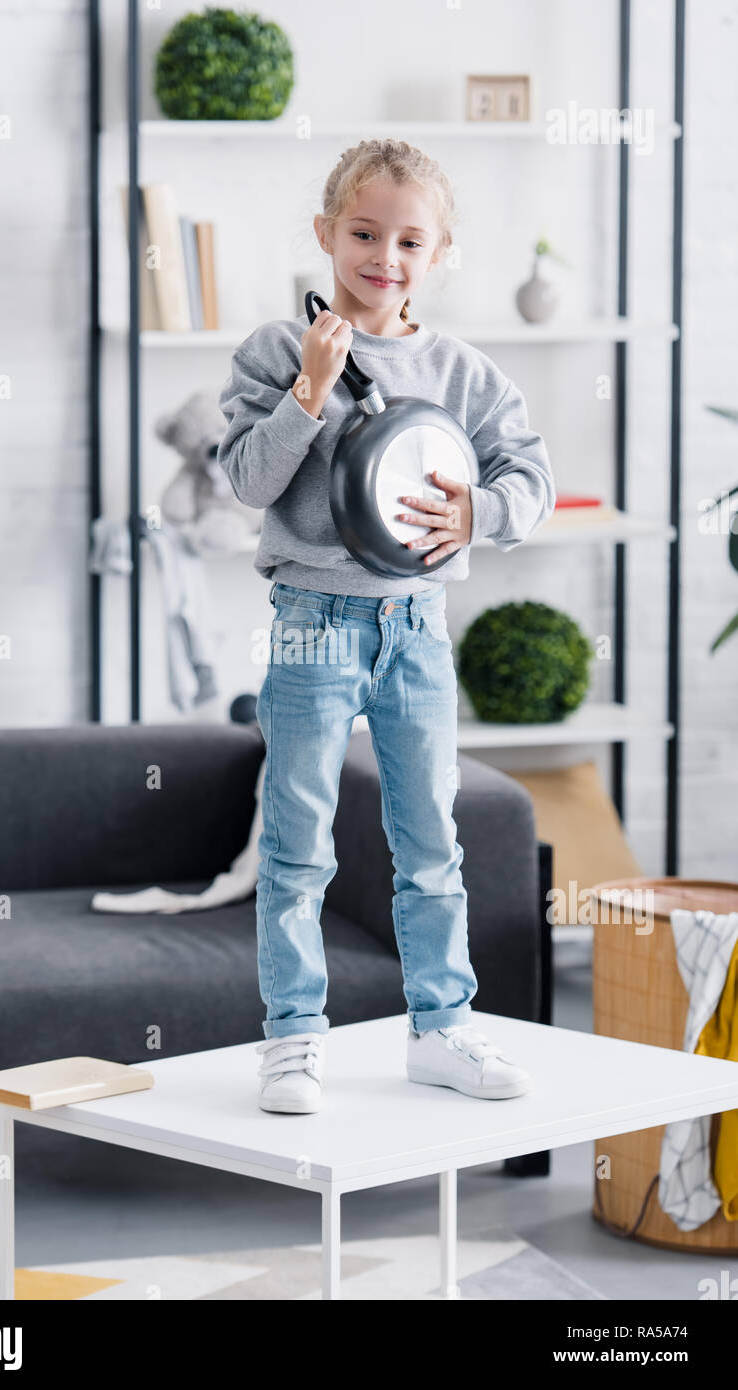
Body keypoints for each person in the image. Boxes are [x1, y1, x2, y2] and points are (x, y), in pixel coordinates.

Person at [218, 139, 555, 1113]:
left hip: (415, 625)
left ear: (441, 252)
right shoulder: (279, 352)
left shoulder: (462, 371)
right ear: (326, 234)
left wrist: (477, 517)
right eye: (364, 233)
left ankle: (441, 1029)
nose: (385, 256)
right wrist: (308, 394)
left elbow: (527, 477)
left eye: (411, 240)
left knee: (431, 841)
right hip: (311, 624)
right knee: (297, 843)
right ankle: (292, 1038)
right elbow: (247, 479)